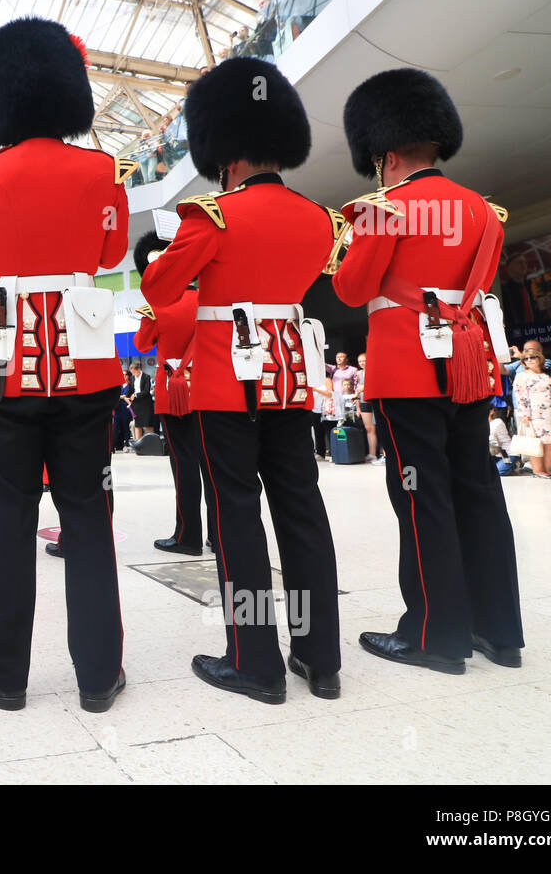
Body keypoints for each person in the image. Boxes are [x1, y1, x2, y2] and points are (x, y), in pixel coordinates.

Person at [0, 17, 130, 715]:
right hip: (87, 368)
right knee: (88, 519)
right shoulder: (104, 171)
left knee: (9, 518)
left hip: (6, 370)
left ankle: (3, 674)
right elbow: (110, 258)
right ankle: (99, 674)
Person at [142, 56, 342, 704]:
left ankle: (253, 659)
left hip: (228, 384)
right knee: (303, 512)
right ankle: (320, 657)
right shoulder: (319, 220)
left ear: (224, 154)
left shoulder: (214, 217)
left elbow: (157, 286)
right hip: (291, 379)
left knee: (237, 517)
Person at [333, 67, 523, 673]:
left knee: (421, 498)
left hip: (408, 372)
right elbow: (480, 284)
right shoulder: (484, 211)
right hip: (469, 366)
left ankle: (435, 635)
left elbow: (351, 288)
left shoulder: (382, 209)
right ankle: (501, 633)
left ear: (384, 153)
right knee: (479, 491)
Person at [132, 230, 202, 555]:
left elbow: (142, 345)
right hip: (205, 387)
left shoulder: (157, 305)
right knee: (211, 462)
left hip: (170, 391)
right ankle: (217, 534)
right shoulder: (205, 299)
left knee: (182, 463)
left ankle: (187, 535)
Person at [512, 352, 551, 478]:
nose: (529, 360)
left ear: (540, 358)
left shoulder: (547, 374)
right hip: (534, 414)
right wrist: (525, 414)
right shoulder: (522, 376)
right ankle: (538, 470)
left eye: (533, 357)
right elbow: (520, 396)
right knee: (536, 442)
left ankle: (548, 469)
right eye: (526, 359)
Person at [357, 352, 382, 463]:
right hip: (364, 401)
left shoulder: (375, 370)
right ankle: (372, 454)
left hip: (375, 400)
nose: (362, 363)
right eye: (360, 361)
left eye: (364, 360)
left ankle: (384, 454)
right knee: (369, 428)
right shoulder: (358, 373)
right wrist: (358, 407)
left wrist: (364, 387)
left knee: (381, 427)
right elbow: (357, 391)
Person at [124, 361, 154, 441]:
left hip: (146, 404)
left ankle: (150, 443)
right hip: (136, 404)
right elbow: (130, 390)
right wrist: (127, 396)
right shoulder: (132, 378)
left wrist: (136, 395)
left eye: (134, 372)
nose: (133, 374)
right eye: (132, 373)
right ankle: (139, 444)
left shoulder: (146, 377)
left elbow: (146, 391)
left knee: (148, 424)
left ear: (138, 370)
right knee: (138, 425)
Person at [488, 406, 519, 475]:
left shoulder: (497, 422)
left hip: (509, 454)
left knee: (496, 473)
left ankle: (511, 466)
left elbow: (492, 440)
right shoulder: (486, 424)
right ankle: (510, 466)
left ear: (492, 411)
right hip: (497, 455)